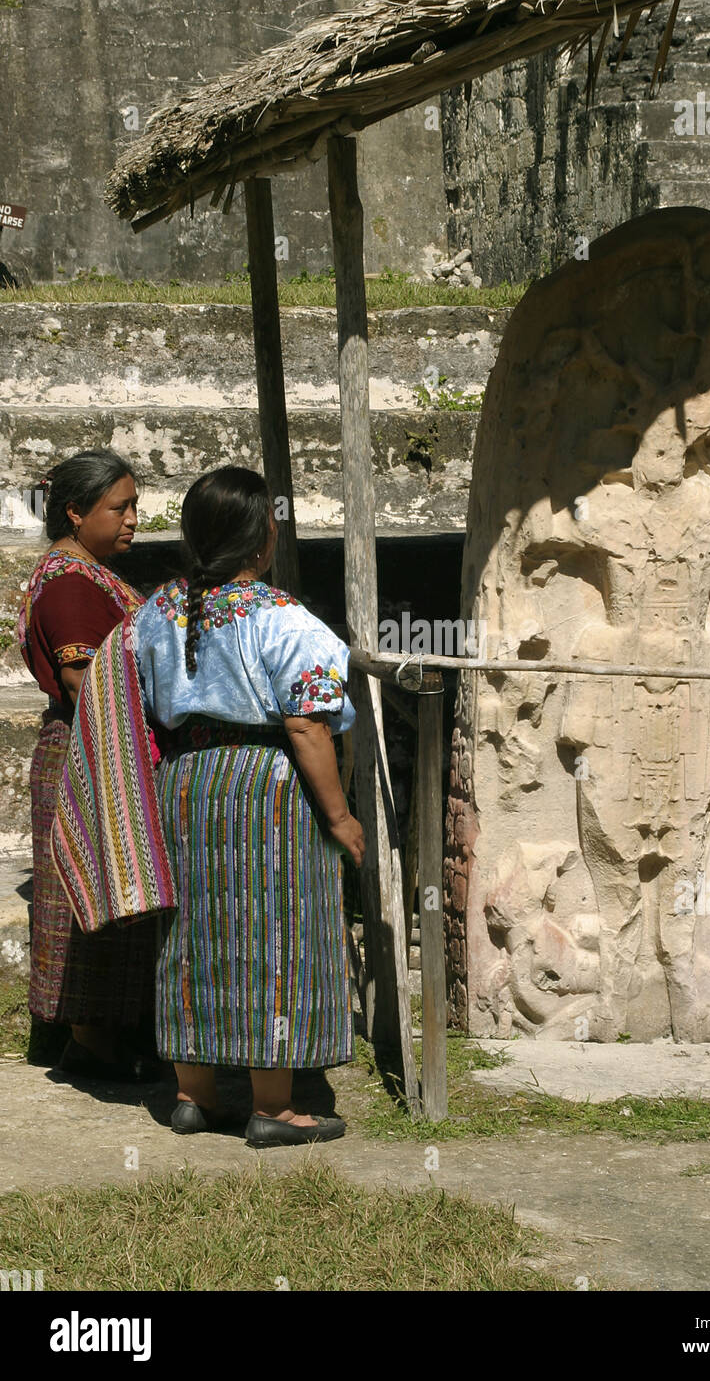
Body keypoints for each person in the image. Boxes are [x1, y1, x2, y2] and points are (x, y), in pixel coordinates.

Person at [132, 466, 365, 1146]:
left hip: (185, 782)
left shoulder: (156, 610)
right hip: (266, 785)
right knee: (278, 934)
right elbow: (305, 725)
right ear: (260, 535)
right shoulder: (283, 618)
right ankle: (274, 1107)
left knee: (191, 933)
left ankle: (192, 1096)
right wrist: (340, 817)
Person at [18, 449, 160, 1079]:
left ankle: (106, 1037)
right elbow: (83, 684)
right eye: (118, 507)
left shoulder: (92, 574)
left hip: (102, 747)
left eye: (133, 505)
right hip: (89, 752)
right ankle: (92, 1043)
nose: (133, 519)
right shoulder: (70, 584)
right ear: (76, 513)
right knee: (95, 892)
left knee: (110, 891)